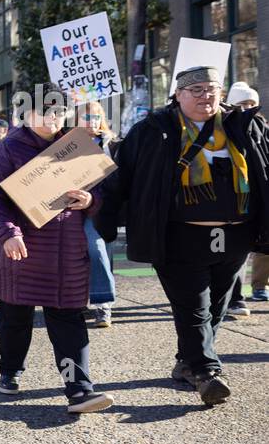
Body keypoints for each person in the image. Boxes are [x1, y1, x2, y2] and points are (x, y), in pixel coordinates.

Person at [98, 67, 269, 407]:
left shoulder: (245, 125)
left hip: (235, 235)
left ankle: (186, 363)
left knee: (217, 305)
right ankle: (206, 373)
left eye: (212, 89)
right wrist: (103, 218)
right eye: (197, 90)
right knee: (193, 306)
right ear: (178, 95)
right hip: (177, 236)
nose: (206, 95)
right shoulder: (153, 130)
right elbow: (121, 176)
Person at [0, 103, 114, 413]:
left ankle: (79, 390)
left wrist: (91, 200)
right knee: (15, 319)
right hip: (20, 252)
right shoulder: (7, 149)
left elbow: (106, 194)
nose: (52, 118)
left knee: (68, 320)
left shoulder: (78, 147)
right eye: (44, 112)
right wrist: (8, 234)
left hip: (67, 252)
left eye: (58, 112)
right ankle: (11, 370)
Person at [225, 82, 263, 312]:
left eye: (251, 104)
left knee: (243, 250)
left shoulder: (262, 128)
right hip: (230, 200)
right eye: (242, 104)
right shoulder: (222, 128)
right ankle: (235, 297)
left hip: (254, 197)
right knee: (231, 252)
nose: (247, 108)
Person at [80, 101, 118, 328]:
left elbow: (119, 178)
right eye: (86, 117)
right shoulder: (64, 143)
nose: (91, 122)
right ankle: (79, 299)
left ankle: (103, 304)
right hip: (69, 209)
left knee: (99, 251)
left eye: (95, 117)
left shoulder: (111, 143)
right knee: (78, 255)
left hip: (101, 208)